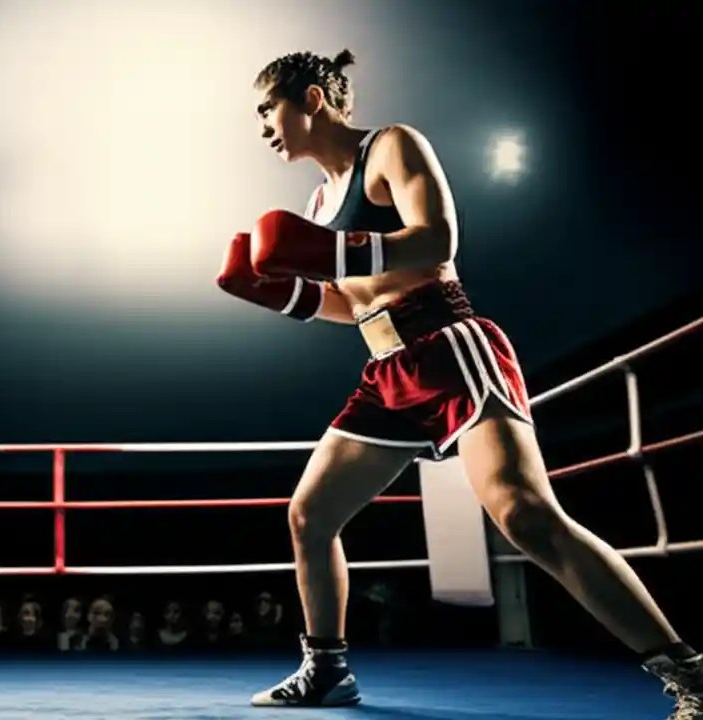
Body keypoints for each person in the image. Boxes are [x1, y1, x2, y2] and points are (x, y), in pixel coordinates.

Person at [216, 49, 700, 717]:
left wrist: (331, 254)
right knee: (310, 515)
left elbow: (436, 242)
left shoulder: (391, 147)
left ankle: (688, 671)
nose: (262, 125)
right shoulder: (321, 200)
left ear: (312, 100)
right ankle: (326, 669)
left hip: (448, 344)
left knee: (525, 514)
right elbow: (351, 301)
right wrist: (279, 295)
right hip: (386, 371)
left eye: (267, 108)